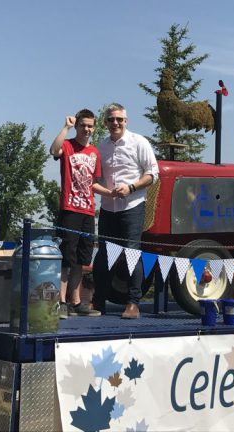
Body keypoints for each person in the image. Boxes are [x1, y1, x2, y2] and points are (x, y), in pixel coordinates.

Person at [93, 104, 159, 320]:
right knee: (103, 256)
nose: (115, 123)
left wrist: (130, 188)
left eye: (119, 119)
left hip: (132, 206)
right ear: (106, 122)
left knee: (132, 254)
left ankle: (133, 303)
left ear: (126, 121)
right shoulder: (100, 147)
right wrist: (107, 193)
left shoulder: (139, 142)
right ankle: (98, 302)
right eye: (111, 119)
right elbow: (95, 178)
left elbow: (152, 174)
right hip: (107, 207)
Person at [49, 110, 112, 318]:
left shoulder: (94, 152)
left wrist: (111, 193)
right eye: (83, 125)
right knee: (66, 257)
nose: (87, 129)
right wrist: (65, 127)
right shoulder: (67, 145)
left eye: (90, 126)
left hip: (87, 211)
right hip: (70, 208)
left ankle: (76, 301)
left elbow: (93, 183)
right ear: (77, 126)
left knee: (81, 259)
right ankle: (60, 301)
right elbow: (53, 150)